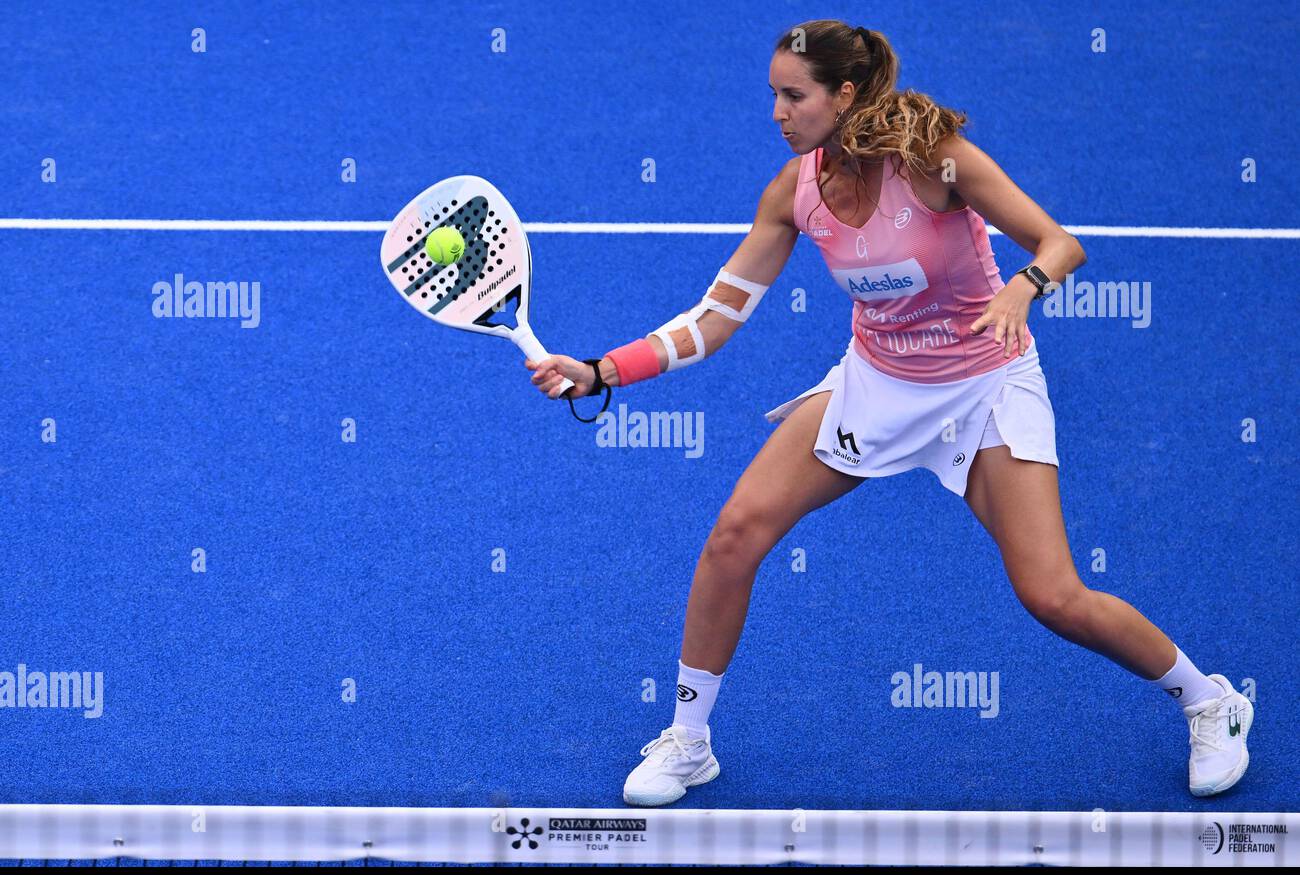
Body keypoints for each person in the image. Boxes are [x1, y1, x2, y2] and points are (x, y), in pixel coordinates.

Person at [525, 19, 1253, 807]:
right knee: (735, 536)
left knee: (1052, 595)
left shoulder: (933, 159)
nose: (777, 111)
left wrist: (1022, 287)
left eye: (793, 95)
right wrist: (603, 371)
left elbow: (1058, 244)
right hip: (874, 385)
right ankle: (690, 742)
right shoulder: (794, 190)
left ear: (844, 94)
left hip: (983, 388)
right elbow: (718, 315)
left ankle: (1211, 700)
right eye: (773, 93)